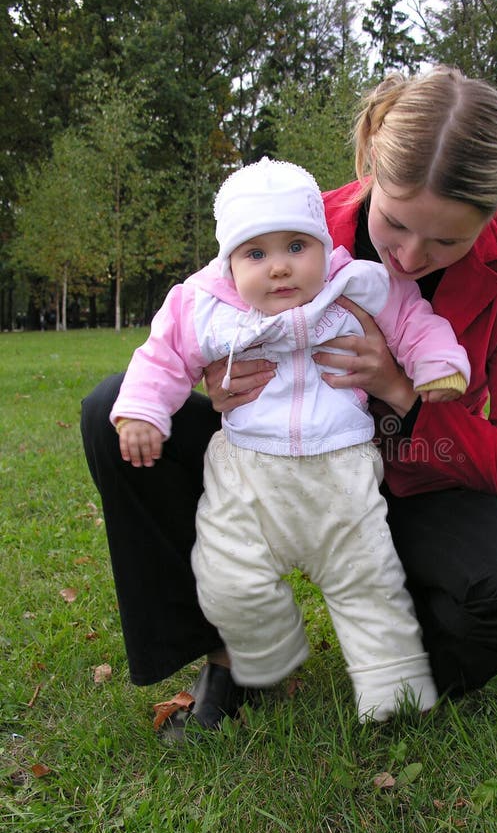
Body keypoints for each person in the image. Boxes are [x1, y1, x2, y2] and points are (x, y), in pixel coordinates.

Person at [81, 65, 497, 733]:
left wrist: (402, 394)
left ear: (494, 212)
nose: (410, 257)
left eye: (448, 240)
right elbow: (193, 319)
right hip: (266, 461)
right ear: (371, 159)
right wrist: (219, 375)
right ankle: (233, 655)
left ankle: (406, 661)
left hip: (411, 487)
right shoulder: (290, 226)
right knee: (115, 410)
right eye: (396, 224)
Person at [109, 157, 471, 723]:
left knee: (367, 583)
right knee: (228, 575)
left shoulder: (356, 282)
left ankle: (393, 695)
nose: (279, 267)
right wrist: (141, 411)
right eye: (255, 254)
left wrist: (438, 364)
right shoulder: (203, 303)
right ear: (229, 263)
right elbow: (163, 355)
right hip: (247, 474)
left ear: (324, 246)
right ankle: (262, 655)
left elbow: (412, 320)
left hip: (342, 473)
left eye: (297, 246)